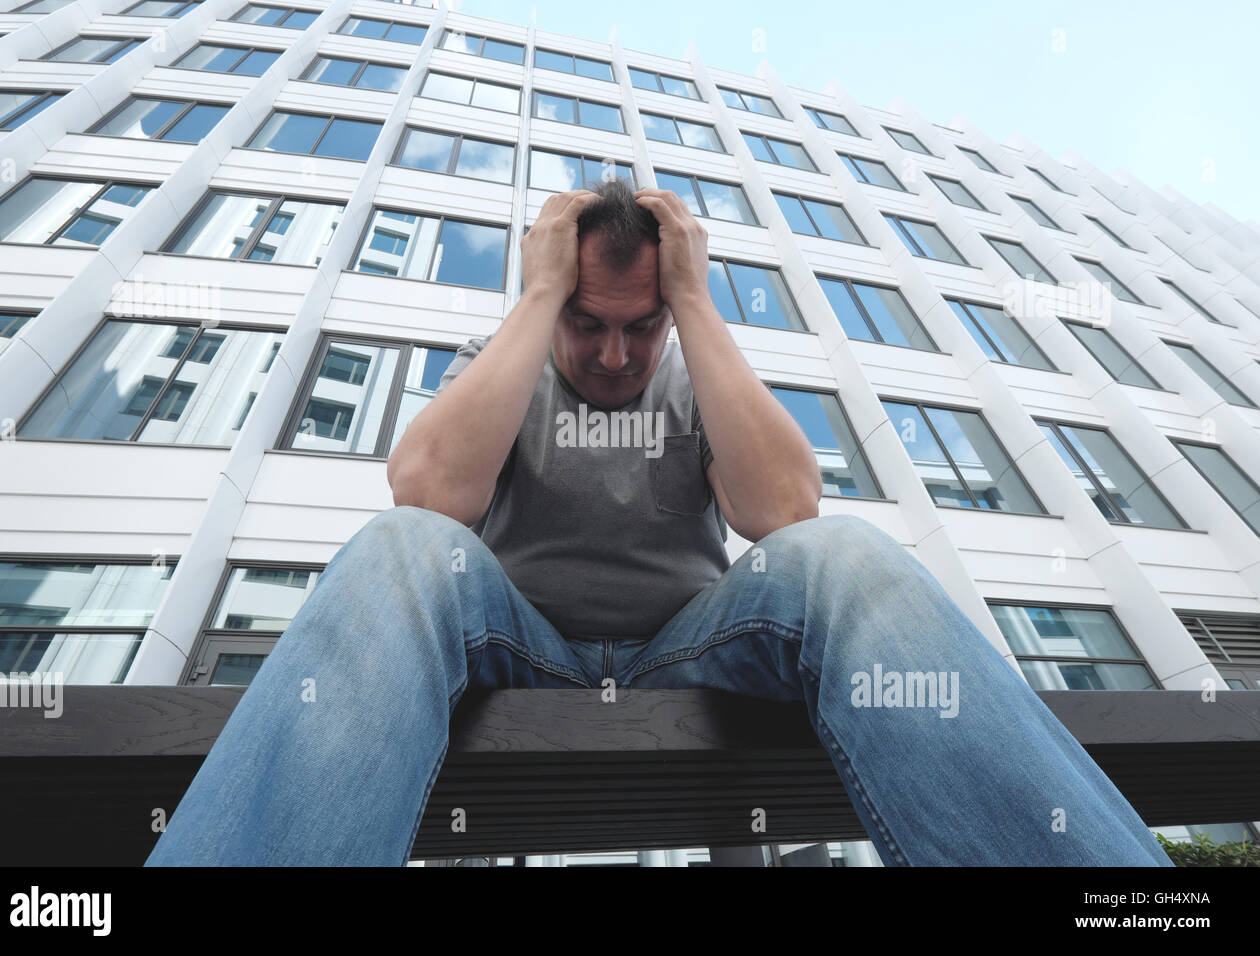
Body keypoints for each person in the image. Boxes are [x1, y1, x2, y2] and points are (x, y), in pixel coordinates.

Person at [146, 179, 1173, 867]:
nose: (612, 353)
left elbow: (783, 513)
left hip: (694, 650)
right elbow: (426, 496)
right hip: (522, 646)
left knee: (848, 551)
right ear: (552, 304)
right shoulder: (500, 359)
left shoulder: (694, 369)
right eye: (585, 321)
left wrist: (695, 304)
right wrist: (536, 291)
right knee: (398, 549)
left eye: (640, 325)